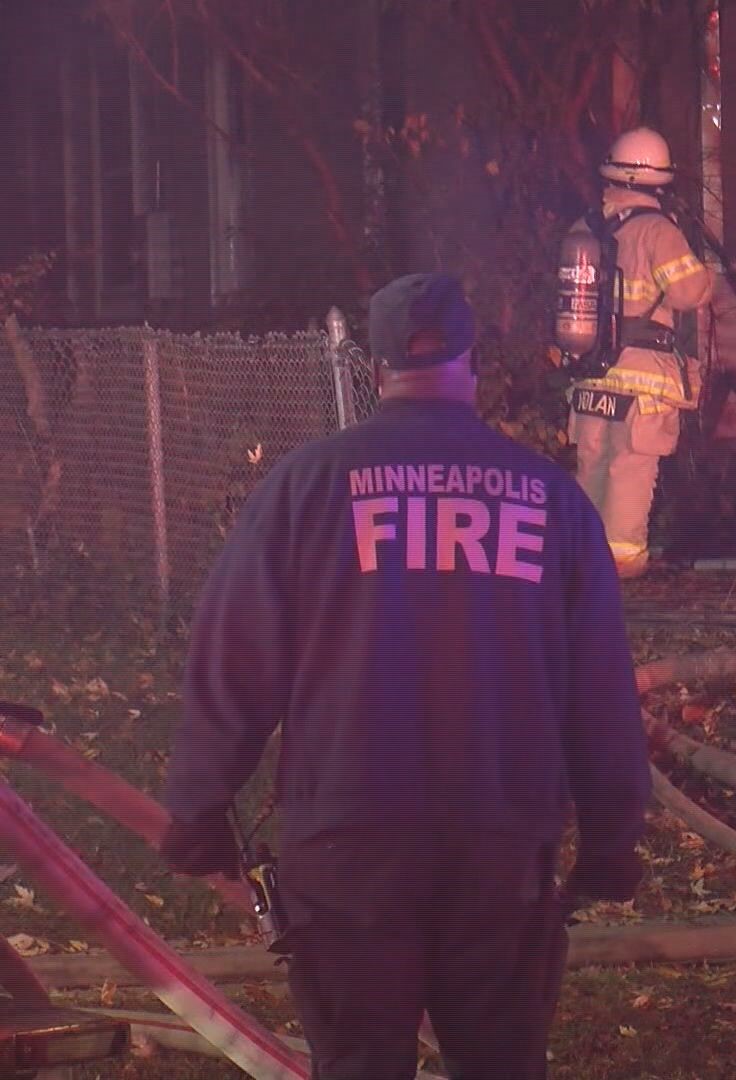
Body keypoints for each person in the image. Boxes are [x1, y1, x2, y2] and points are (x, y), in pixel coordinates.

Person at [158, 272, 651, 1079]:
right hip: (500, 842)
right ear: (473, 357)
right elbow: (597, 688)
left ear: (377, 366)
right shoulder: (550, 501)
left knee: (359, 1063)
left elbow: (234, 657)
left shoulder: (308, 488)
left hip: (348, 844)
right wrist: (611, 837)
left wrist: (198, 809)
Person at [567, 126, 715, 579]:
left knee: (592, 461)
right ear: (661, 182)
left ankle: (582, 562)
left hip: (591, 371)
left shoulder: (584, 228)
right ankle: (623, 566)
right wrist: (706, 273)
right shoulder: (657, 232)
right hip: (643, 375)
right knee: (631, 466)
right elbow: (691, 293)